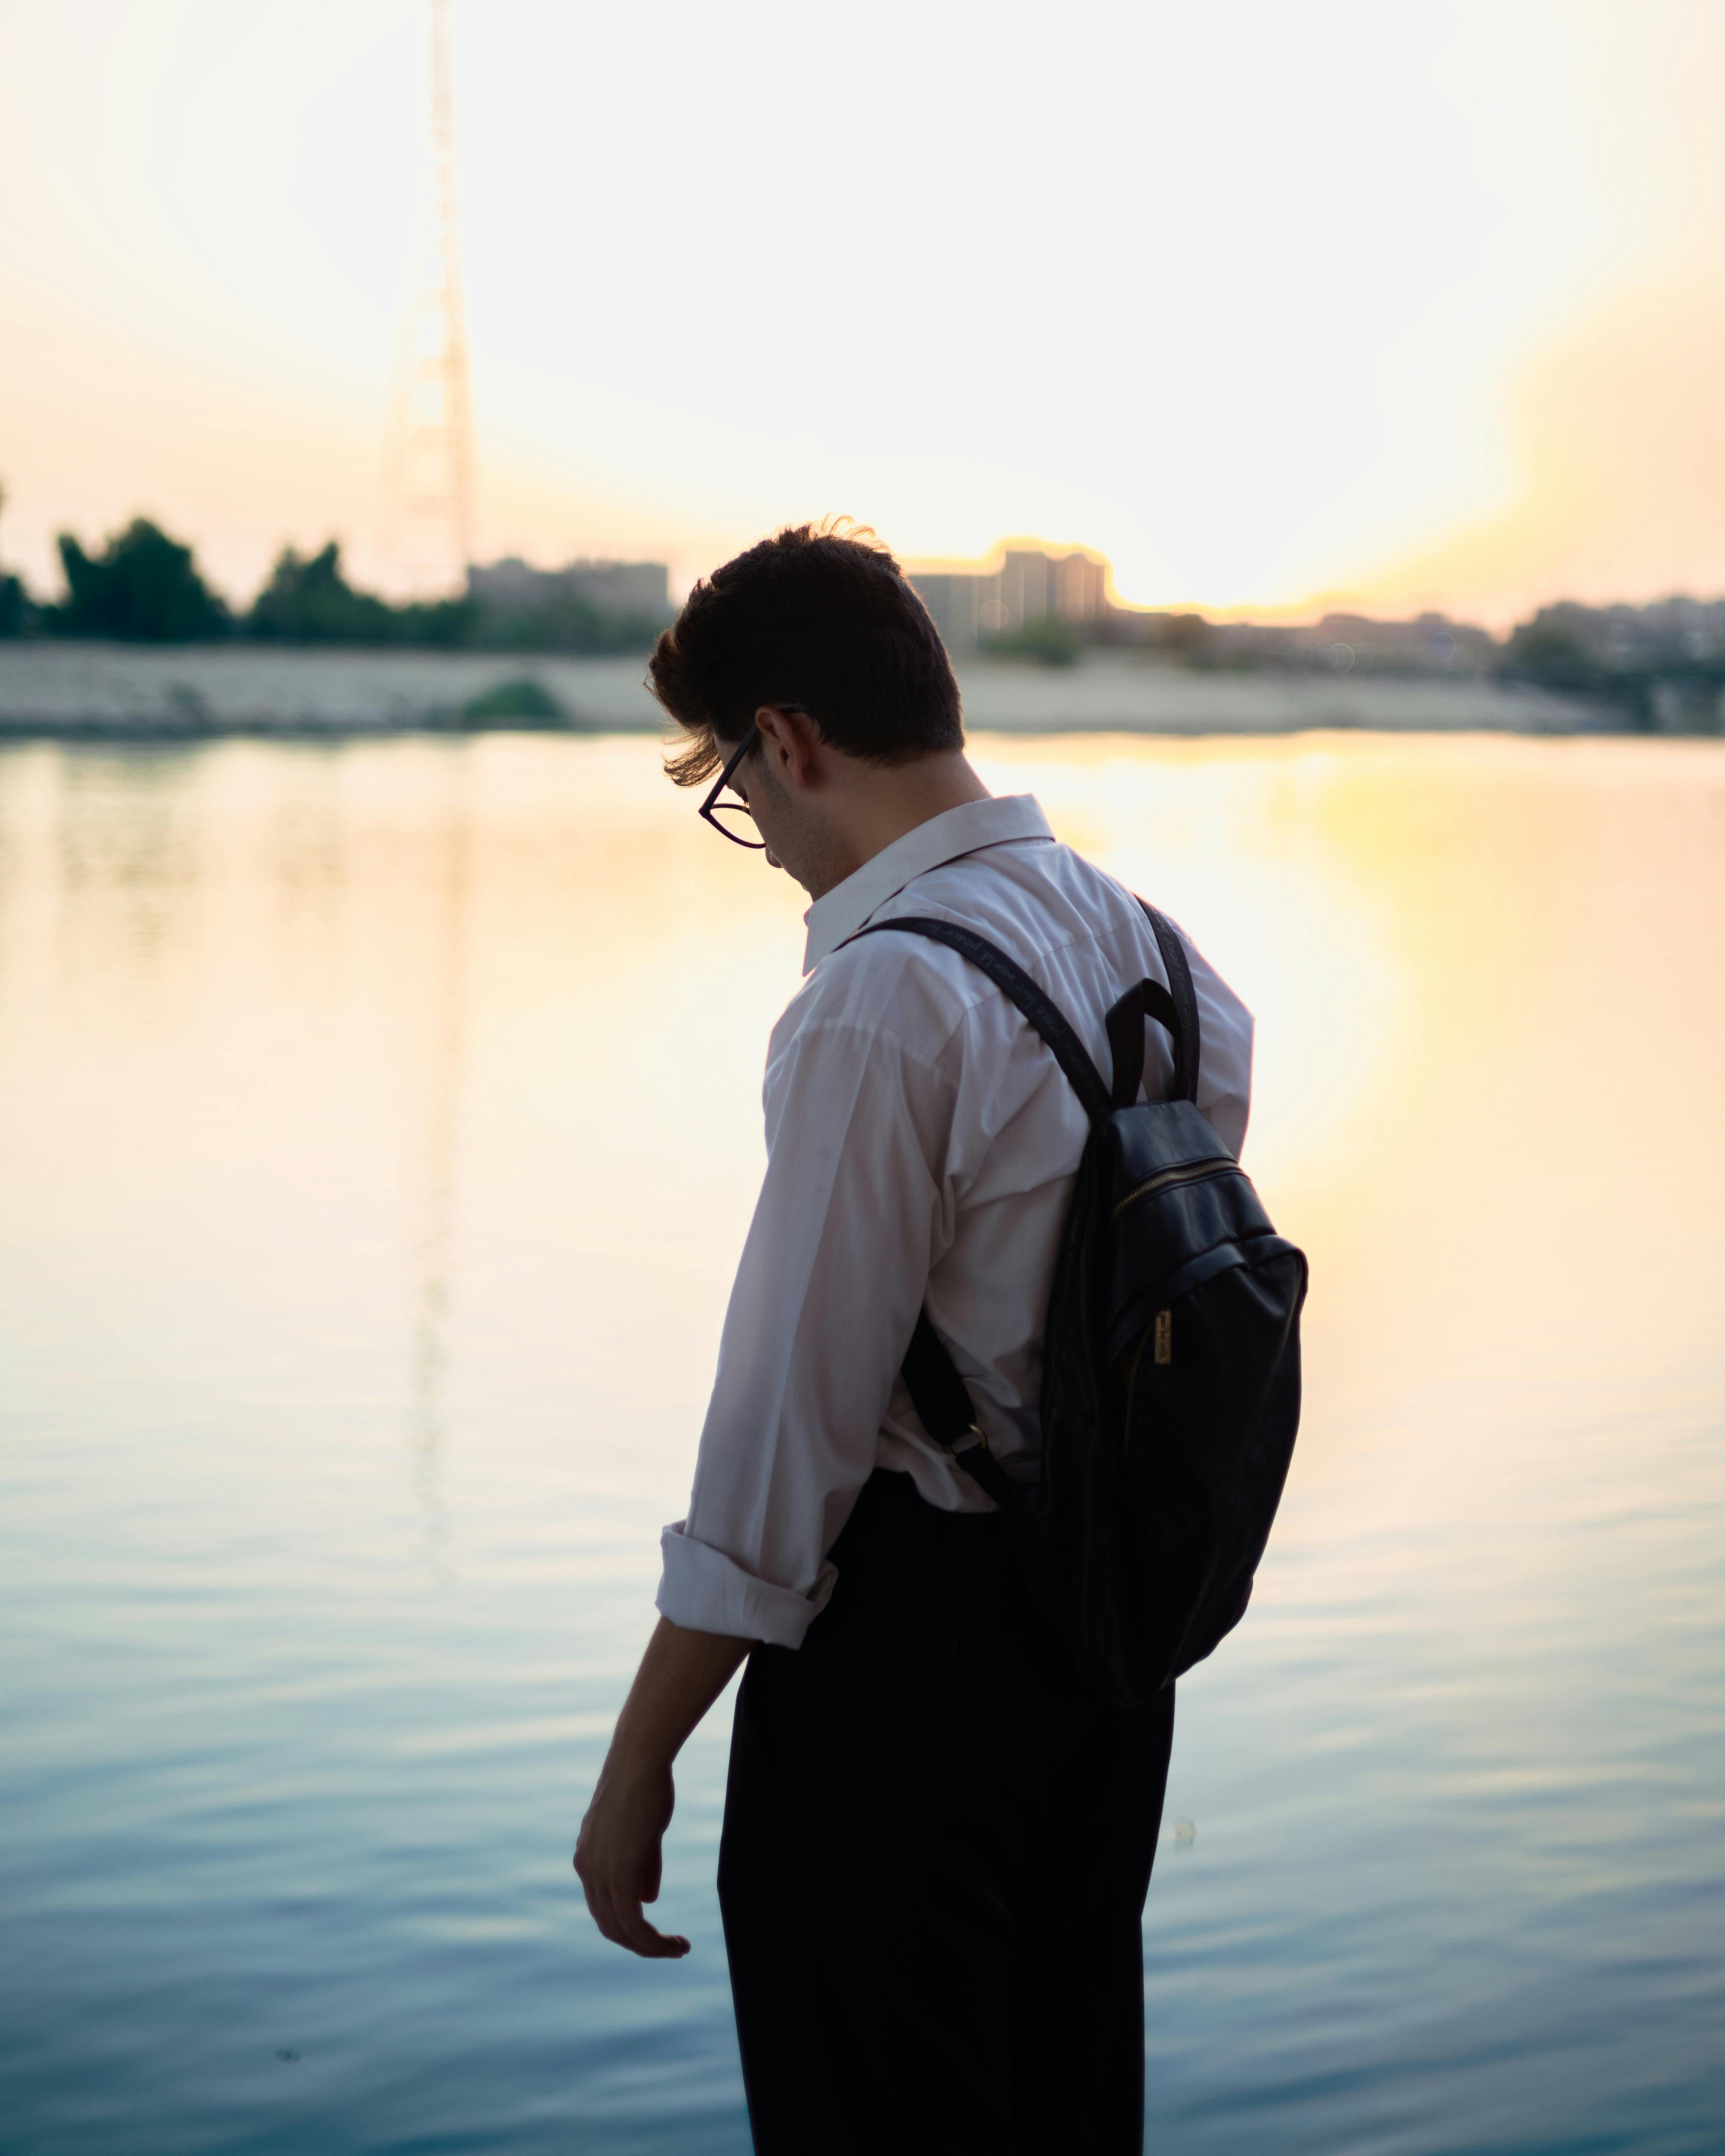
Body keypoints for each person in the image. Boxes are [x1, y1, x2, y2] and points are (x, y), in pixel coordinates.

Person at [574, 522, 1253, 2153]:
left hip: (902, 1675)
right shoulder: (1168, 958)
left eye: (733, 794)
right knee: (1066, 2098)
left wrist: (638, 1762)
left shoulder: (882, 1001)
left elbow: (779, 1457)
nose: (759, 837)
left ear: (786, 741)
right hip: (1104, 1647)